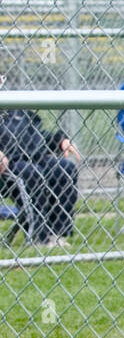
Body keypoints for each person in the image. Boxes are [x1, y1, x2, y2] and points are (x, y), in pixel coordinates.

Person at [0, 79, 80, 248]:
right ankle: (39, 237)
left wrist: (60, 141)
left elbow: (38, 136)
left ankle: (56, 234)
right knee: (32, 173)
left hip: (34, 157)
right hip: (9, 164)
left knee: (65, 169)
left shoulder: (16, 106)